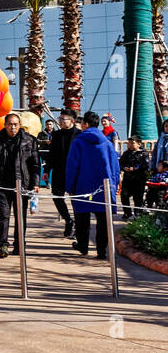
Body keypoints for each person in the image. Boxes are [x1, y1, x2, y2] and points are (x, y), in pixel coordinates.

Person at [65, 110, 121, 260]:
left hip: (83, 186)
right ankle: (101, 250)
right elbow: (115, 166)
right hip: (104, 186)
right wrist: (115, 185)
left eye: (82, 123)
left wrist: (69, 186)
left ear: (86, 124)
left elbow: (72, 165)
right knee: (103, 220)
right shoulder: (107, 143)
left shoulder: (79, 142)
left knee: (82, 217)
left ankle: (83, 246)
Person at [0, 113, 40, 258]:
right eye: (10, 124)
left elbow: (35, 164)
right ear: (5, 125)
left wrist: (35, 183)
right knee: (4, 215)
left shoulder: (29, 141)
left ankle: (19, 244)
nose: (13, 127)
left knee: (20, 216)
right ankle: (2, 245)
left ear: (20, 125)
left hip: (22, 184)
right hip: (2, 184)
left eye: (15, 124)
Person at [47, 109, 79, 239]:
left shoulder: (79, 135)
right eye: (59, 119)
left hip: (73, 172)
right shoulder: (56, 134)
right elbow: (52, 153)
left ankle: (79, 226)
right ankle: (68, 220)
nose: (59, 121)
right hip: (58, 171)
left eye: (62, 119)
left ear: (71, 121)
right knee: (57, 197)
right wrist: (48, 169)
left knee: (76, 199)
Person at [120, 135, 150, 219]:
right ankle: (127, 213)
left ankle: (138, 214)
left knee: (138, 198)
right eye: (128, 143)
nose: (130, 145)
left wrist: (135, 168)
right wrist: (124, 168)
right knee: (124, 195)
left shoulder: (144, 154)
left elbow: (146, 165)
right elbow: (121, 163)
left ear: (139, 144)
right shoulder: (126, 153)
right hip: (127, 179)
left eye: (132, 143)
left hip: (139, 179)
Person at [37, 119, 55, 189]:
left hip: (54, 154)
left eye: (50, 124)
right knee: (45, 169)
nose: (49, 126)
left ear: (53, 125)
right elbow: (37, 141)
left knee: (55, 169)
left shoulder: (57, 133)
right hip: (44, 154)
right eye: (47, 124)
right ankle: (47, 183)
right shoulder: (41, 133)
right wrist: (44, 142)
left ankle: (55, 183)